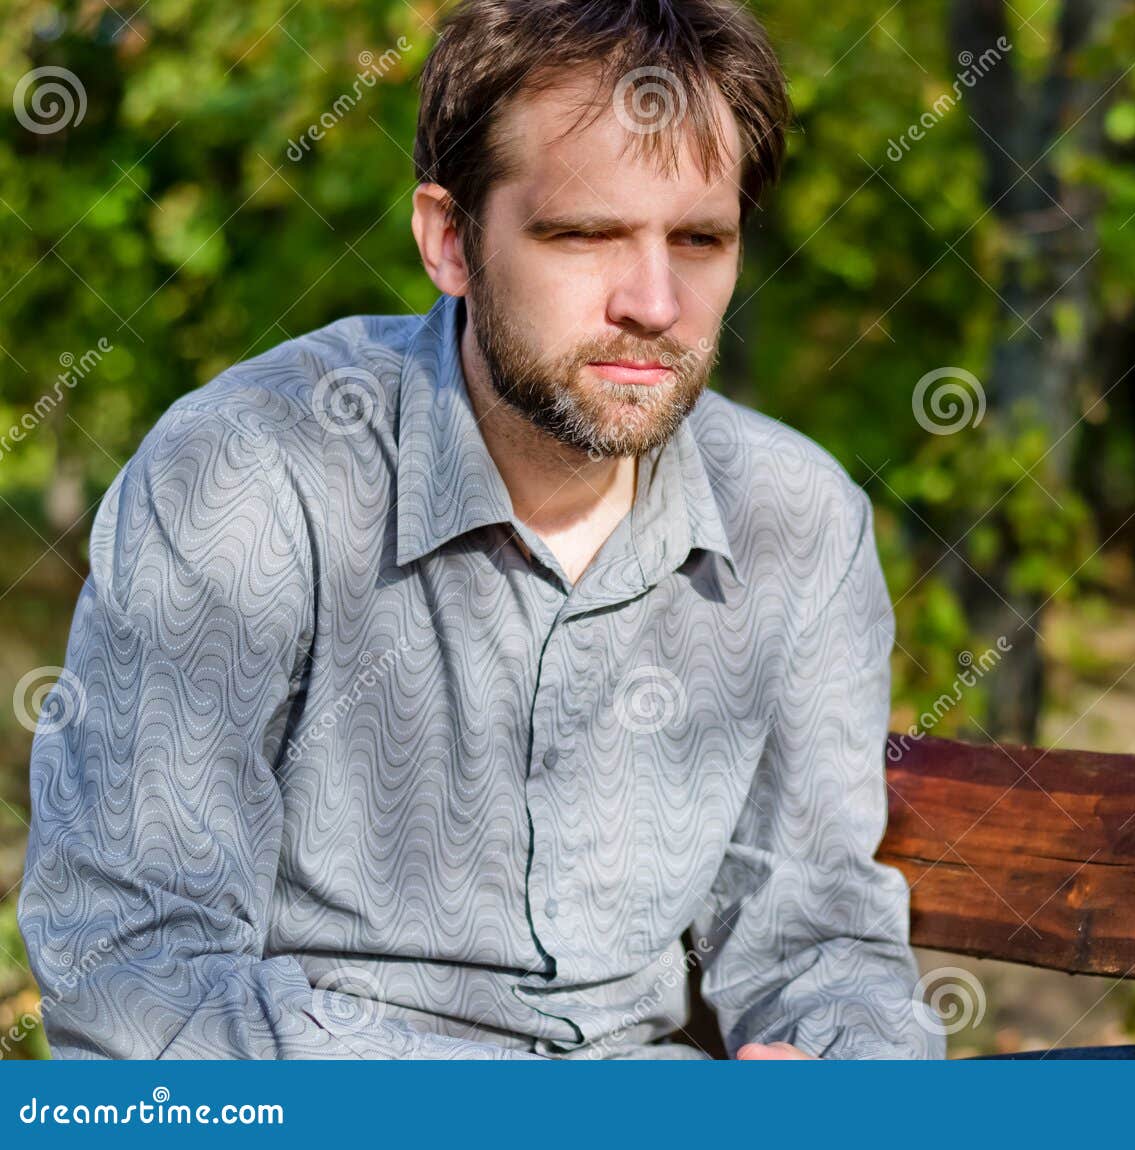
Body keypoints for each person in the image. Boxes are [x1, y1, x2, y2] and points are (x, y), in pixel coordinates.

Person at [19, 0, 941, 1061]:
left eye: (699, 239)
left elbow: (821, 944)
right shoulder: (251, 471)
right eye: (585, 233)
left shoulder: (798, 520)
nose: (653, 301)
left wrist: (842, 1080)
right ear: (449, 240)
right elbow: (137, 965)